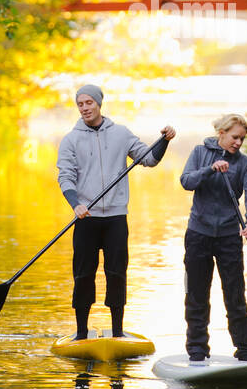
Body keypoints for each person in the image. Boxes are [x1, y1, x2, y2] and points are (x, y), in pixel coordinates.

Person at [57, 84, 175, 338]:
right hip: (86, 217)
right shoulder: (71, 140)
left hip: (115, 219)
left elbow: (149, 159)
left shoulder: (121, 134)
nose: (85, 108)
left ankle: (118, 333)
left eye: (89, 102)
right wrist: (75, 203)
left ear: (99, 103)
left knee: (117, 274)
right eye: (80, 104)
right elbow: (65, 177)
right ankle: (80, 333)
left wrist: (164, 141)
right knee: (83, 275)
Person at [179, 113, 247, 362]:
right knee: (197, 294)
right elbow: (186, 181)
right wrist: (210, 169)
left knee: (235, 294)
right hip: (198, 234)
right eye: (235, 137)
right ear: (222, 133)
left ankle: (246, 350)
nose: (238, 142)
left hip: (228, 236)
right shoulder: (199, 152)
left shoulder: (245, 164)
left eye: (242, 139)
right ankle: (197, 349)